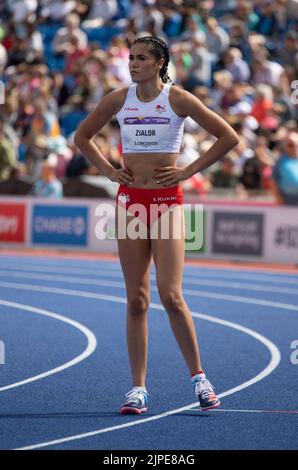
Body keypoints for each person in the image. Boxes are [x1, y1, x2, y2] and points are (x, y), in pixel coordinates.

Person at [74, 36, 239, 415]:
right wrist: (110, 172)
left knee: (171, 295)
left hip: (167, 204)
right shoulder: (119, 98)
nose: (133, 64)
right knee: (137, 300)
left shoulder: (178, 99)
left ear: (160, 62)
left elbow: (229, 136)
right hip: (131, 203)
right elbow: (82, 136)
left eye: (141, 58)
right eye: (130, 57)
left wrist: (188, 171)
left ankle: (200, 378)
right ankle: (137, 389)